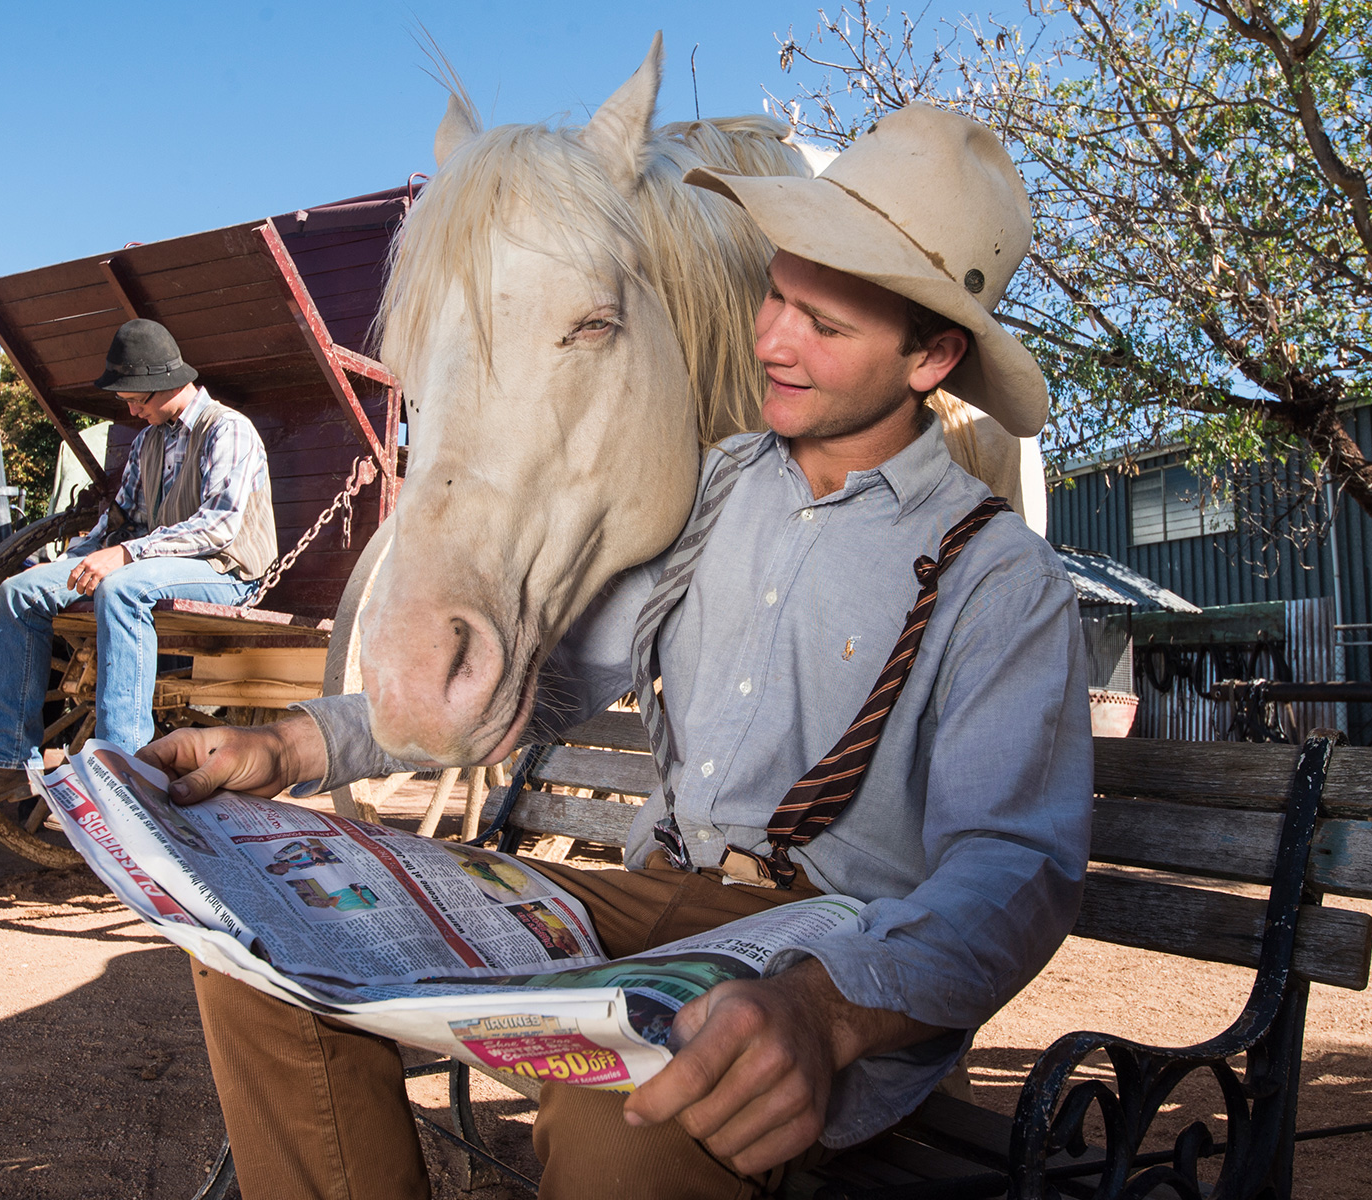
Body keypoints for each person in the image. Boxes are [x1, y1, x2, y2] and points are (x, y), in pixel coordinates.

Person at [140, 105, 1093, 1200]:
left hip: (821, 953)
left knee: (619, 1116)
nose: (773, 341)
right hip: (645, 905)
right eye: (777, 296)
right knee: (260, 948)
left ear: (932, 356)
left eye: (825, 326)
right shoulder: (716, 489)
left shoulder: (998, 578)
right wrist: (298, 745)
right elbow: (556, 681)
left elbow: (1015, 871)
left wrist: (824, 1012)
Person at [0, 318, 278, 815]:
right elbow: (119, 521)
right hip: (154, 568)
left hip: (225, 572)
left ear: (166, 382)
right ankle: (8, 762)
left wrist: (126, 555)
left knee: (121, 589)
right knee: (21, 592)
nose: (131, 409)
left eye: (136, 399)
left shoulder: (228, 429)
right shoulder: (147, 441)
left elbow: (217, 526)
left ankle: (122, 769)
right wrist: (69, 564)